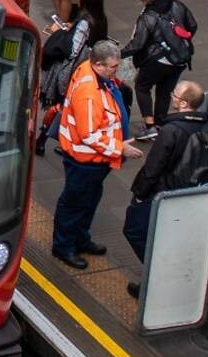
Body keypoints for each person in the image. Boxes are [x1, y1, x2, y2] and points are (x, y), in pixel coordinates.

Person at [53, 39, 143, 269]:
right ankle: (64, 246)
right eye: (113, 67)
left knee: (88, 199)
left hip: (94, 159)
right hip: (85, 159)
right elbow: (89, 134)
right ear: (99, 64)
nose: (117, 71)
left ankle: (80, 238)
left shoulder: (93, 74)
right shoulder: (89, 93)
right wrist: (119, 147)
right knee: (75, 202)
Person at [121, 80, 208, 292]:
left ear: (183, 104)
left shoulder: (171, 130)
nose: (172, 96)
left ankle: (159, 274)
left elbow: (153, 167)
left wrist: (139, 195)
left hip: (162, 193)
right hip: (190, 195)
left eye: (176, 95)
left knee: (135, 230)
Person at [121, 0, 197, 132]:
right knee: (164, 92)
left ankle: (150, 126)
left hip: (158, 60)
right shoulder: (178, 5)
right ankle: (160, 123)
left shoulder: (148, 16)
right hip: (180, 60)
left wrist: (118, 53)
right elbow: (193, 25)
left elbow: (138, 44)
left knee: (142, 86)